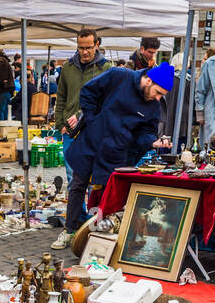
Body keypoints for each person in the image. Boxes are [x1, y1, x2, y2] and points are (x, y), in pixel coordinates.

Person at [64, 63, 172, 249]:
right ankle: (70, 230)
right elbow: (88, 92)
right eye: (158, 92)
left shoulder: (153, 106)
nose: (158, 97)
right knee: (78, 184)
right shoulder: (119, 75)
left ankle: (101, 235)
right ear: (148, 80)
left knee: (108, 194)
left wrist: (152, 142)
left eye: (162, 95)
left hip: (116, 152)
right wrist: (92, 120)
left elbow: (145, 132)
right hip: (92, 141)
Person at [51, 28, 110, 249]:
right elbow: (61, 98)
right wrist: (60, 124)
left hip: (94, 132)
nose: (84, 52)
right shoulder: (68, 67)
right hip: (71, 131)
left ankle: (91, 224)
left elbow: (106, 101)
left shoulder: (105, 68)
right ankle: (73, 226)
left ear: (96, 44)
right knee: (73, 179)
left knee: (95, 180)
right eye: (80, 47)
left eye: (88, 47)